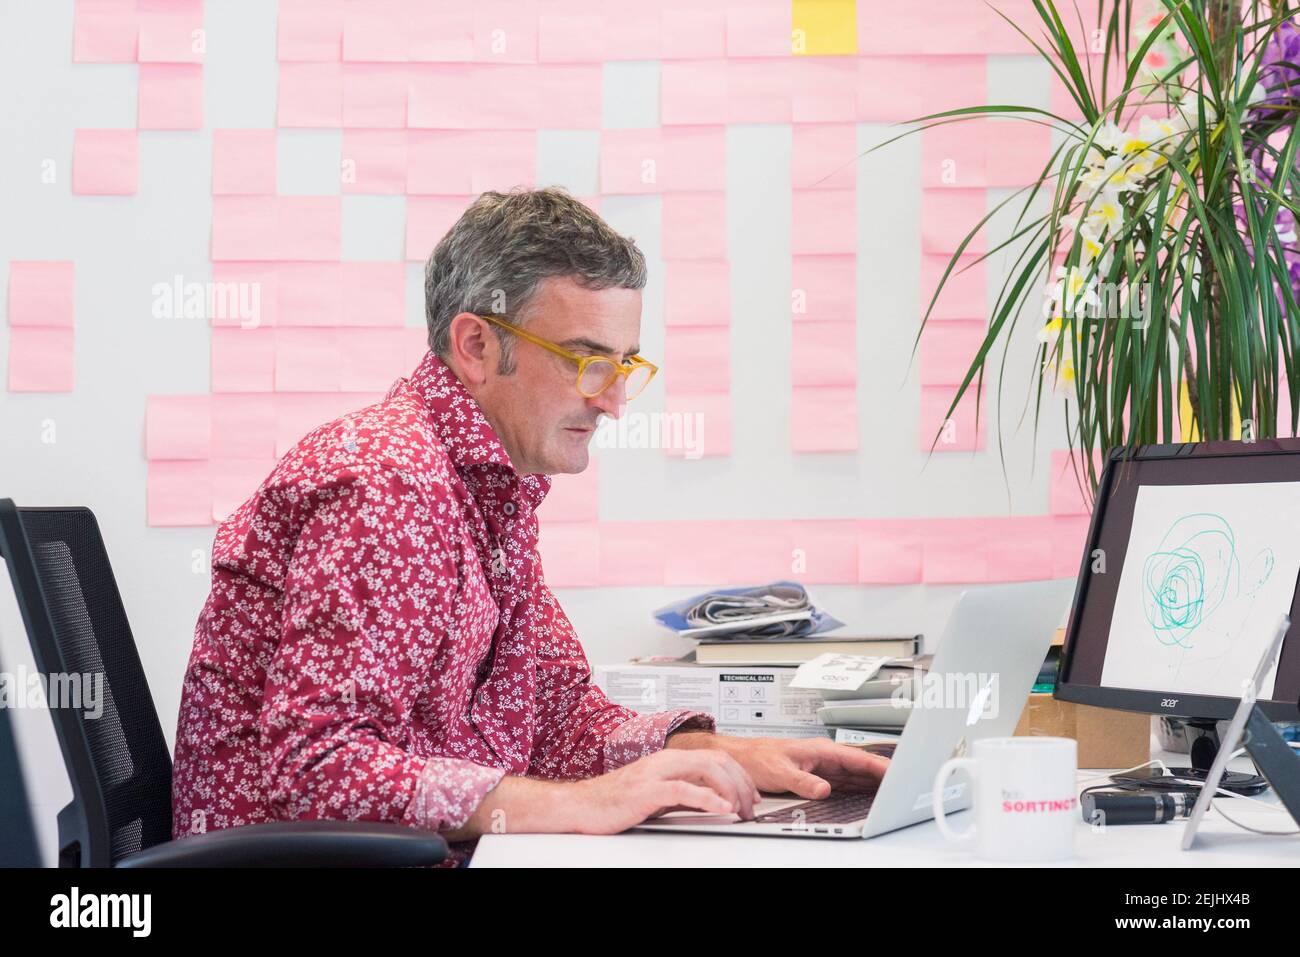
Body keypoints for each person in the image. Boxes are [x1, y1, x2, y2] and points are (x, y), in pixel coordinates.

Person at [170, 187, 888, 863]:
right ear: (477, 345)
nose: (613, 404)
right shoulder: (389, 483)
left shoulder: (492, 490)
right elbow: (320, 770)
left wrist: (724, 751)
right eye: (585, 360)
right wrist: (584, 804)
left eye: (624, 364)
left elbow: (553, 714)